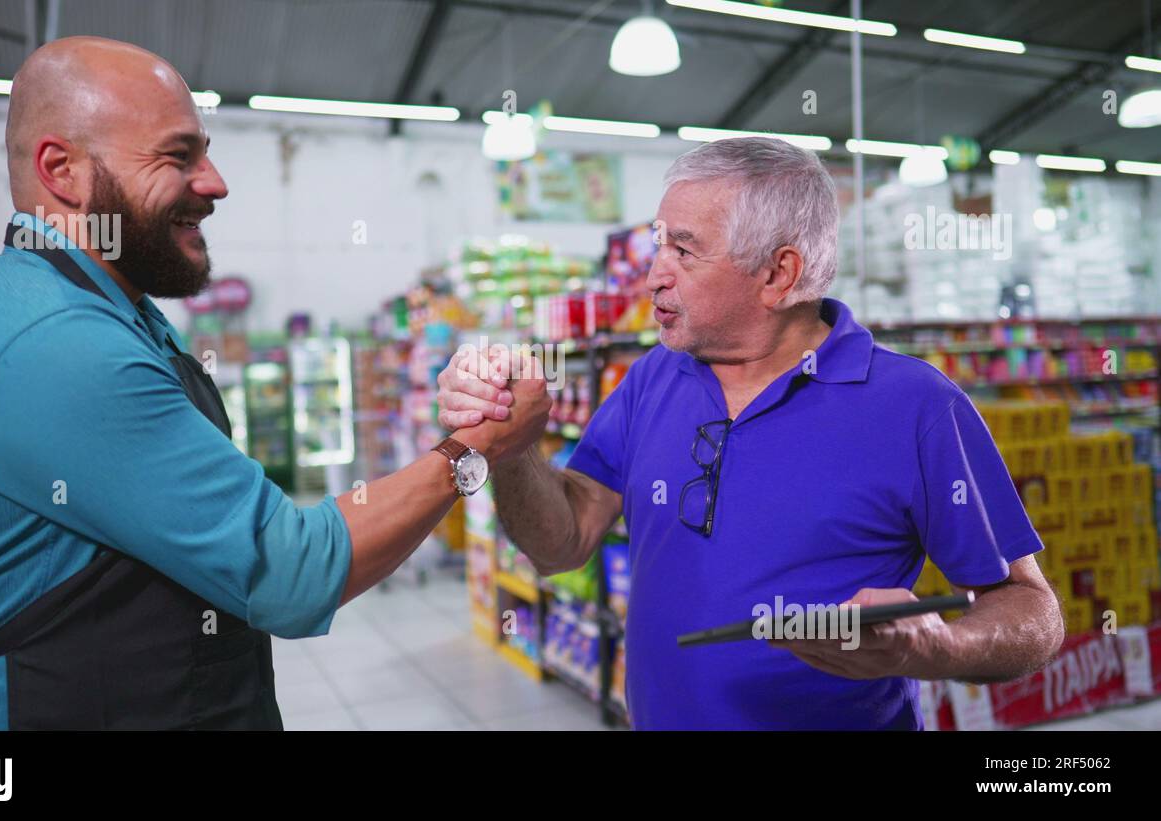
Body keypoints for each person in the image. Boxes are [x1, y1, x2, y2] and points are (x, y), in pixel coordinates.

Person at [0, 36, 549, 730]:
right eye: (178, 155)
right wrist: (473, 446)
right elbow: (291, 571)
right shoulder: (52, 343)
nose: (215, 182)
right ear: (62, 170)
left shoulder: (116, 311)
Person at [437, 136, 1064, 730]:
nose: (653, 275)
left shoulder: (917, 407)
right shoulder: (654, 376)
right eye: (659, 245)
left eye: (683, 250)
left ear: (778, 275)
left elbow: (1033, 612)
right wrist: (512, 448)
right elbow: (563, 543)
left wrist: (939, 648)